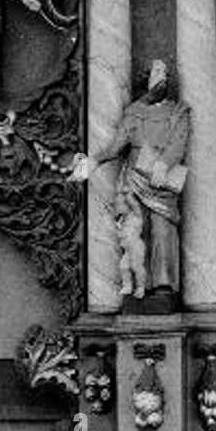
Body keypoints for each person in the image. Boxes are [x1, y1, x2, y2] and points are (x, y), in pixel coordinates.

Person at [70, 59, 189, 301]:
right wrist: (93, 161)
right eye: (157, 72)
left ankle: (164, 286)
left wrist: (163, 164)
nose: (162, 76)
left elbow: (179, 144)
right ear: (147, 79)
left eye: (165, 72)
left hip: (161, 181)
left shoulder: (178, 112)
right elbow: (116, 146)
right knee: (134, 232)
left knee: (161, 228)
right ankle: (137, 285)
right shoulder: (134, 112)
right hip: (134, 178)